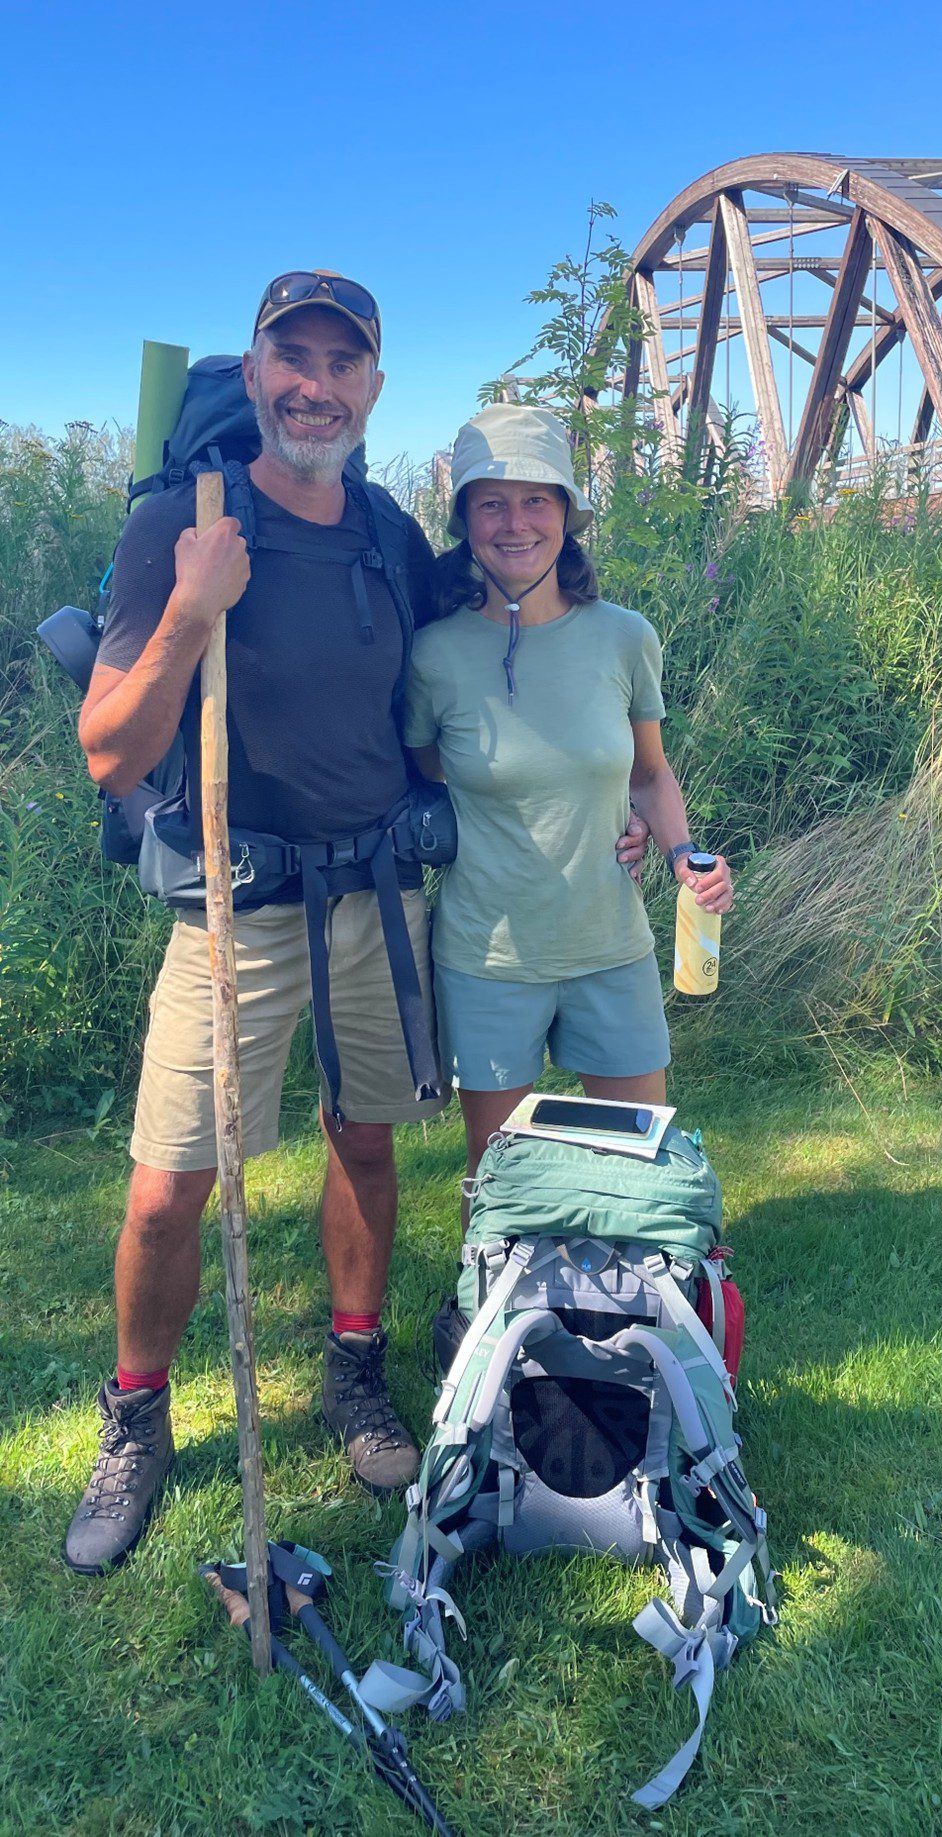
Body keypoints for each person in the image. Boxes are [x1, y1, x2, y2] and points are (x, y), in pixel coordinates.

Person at [66, 274, 447, 1574]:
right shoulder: (186, 521)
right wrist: (188, 607)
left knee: (369, 1145)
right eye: (296, 354)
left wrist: (620, 790)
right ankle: (138, 1418)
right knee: (171, 1188)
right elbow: (110, 750)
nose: (317, 383)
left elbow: (476, 689)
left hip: (378, 901)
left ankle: (354, 1371)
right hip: (238, 904)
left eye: (346, 362)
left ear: (375, 388)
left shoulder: (392, 537)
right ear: (256, 363)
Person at [405, 403, 733, 1211]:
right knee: (499, 1181)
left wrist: (679, 856)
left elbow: (649, 776)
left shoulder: (624, 637)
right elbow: (424, 774)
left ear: (567, 515)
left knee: (636, 1167)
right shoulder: (434, 653)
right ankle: (494, 1321)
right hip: (487, 958)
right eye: (491, 502)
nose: (514, 523)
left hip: (609, 947)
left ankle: (626, 1321)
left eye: (535, 500)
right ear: (464, 521)